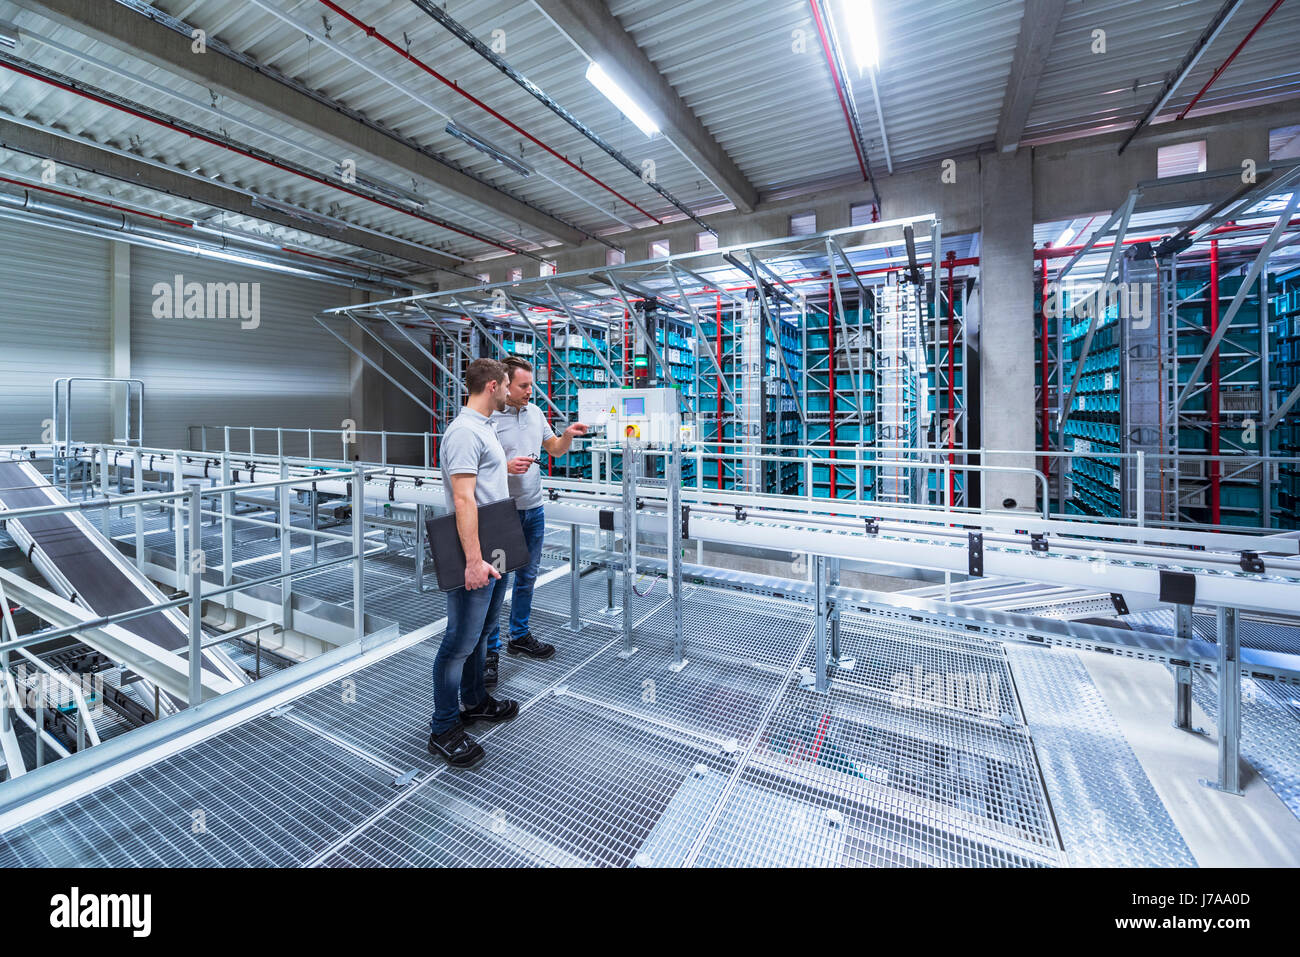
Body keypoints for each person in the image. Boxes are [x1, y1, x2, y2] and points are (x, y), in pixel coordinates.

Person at [427, 357, 530, 769]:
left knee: (484, 632)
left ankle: (474, 701)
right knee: (458, 642)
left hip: (494, 544)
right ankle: (444, 727)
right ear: (492, 387)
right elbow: (464, 499)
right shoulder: (464, 433)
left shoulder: (483, 429)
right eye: (508, 386)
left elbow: (483, 483)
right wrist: (473, 561)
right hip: (475, 551)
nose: (511, 393)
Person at [483, 356, 589, 687]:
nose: (531, 391)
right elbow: (475, 468)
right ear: (504, 385)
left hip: (533, 509)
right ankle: (490, 651)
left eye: (532, 385)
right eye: (524, 386)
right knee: (497, 584)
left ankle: (519, 635)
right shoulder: (488, 418)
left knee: (527, 577)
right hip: (502, 512)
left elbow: (555, 449)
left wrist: (568, 434)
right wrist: (505, 467)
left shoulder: (535, 413)